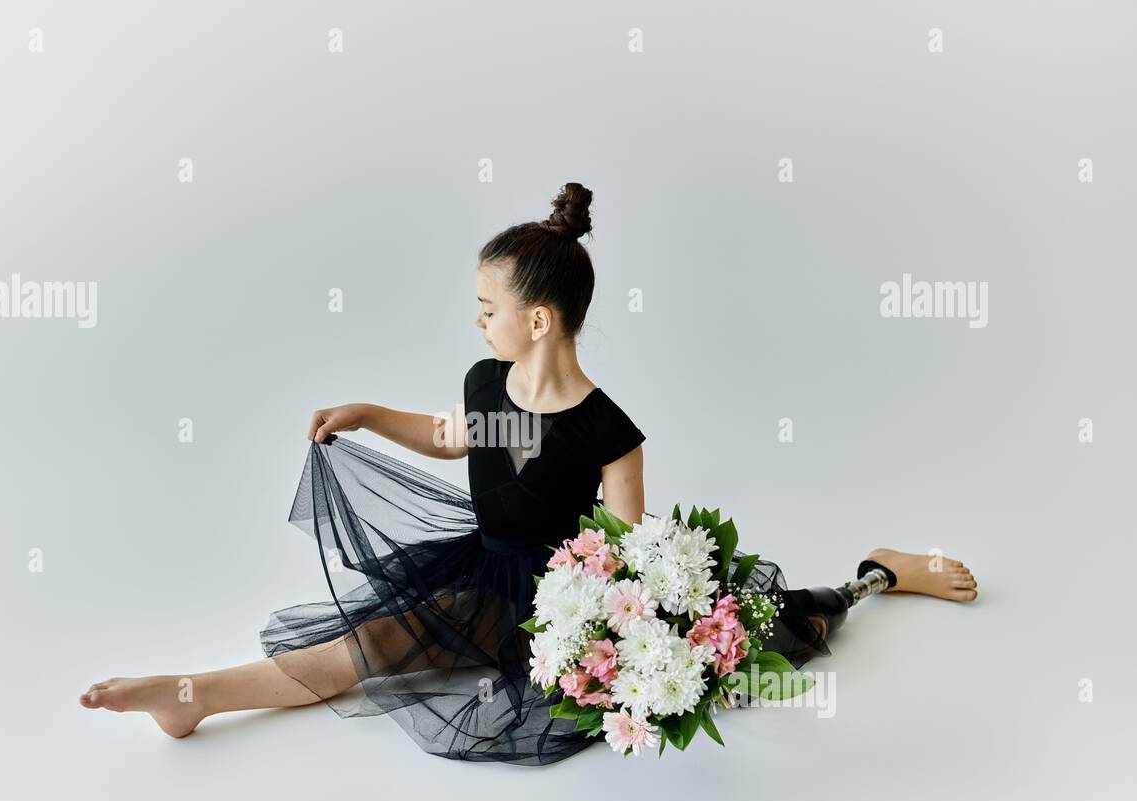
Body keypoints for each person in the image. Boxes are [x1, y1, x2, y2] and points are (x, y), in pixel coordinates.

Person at [80, 183, 977, 765]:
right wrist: (366, 415)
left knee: (765, 647)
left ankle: (878, 574)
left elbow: (632, 548)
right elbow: (453, 437)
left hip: (565, 600)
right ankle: (192, 696)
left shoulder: (604, 428)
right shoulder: (489, 384)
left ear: (539, 320)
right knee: (367, 650)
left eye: (488, 309)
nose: (478, 324)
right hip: (477, 572)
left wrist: (630, 642)